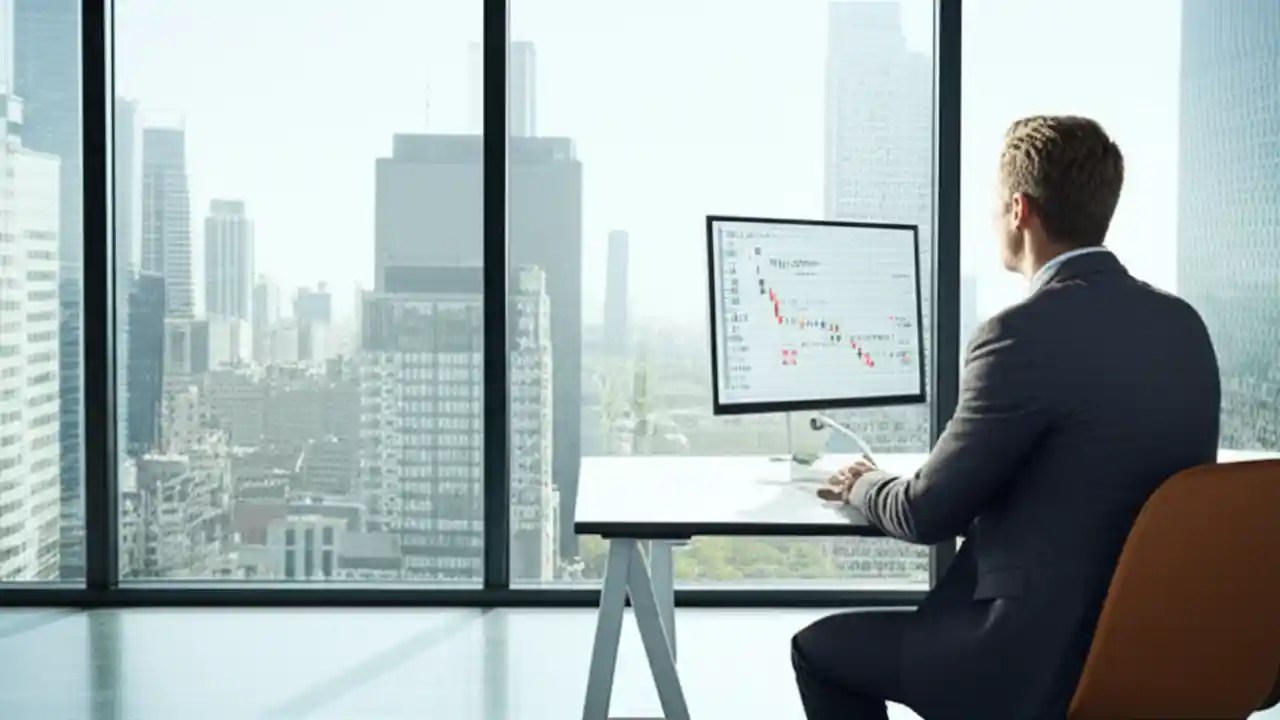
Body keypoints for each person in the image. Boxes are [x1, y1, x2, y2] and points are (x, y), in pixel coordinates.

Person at [792, 115, 1221, 720]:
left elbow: (924, 512)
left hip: (1032, 655)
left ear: (1019, 210)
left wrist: (863, 484)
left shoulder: (1020, 334)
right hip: (1155, 648)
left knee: (819, 651)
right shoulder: (1183, 325)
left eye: (996, 205)